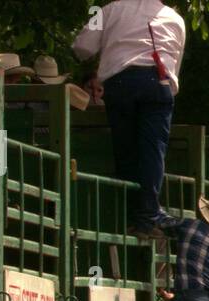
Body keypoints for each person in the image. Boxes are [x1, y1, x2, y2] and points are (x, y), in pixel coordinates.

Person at [73, 0, 186, 239]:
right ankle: (147, 218)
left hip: (122, 83)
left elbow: (82, 48)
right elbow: (174, 65)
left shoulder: (111, 10)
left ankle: (129, 215)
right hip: (160, 85)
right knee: (153, 151)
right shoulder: (176, 19)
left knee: (126, 150)